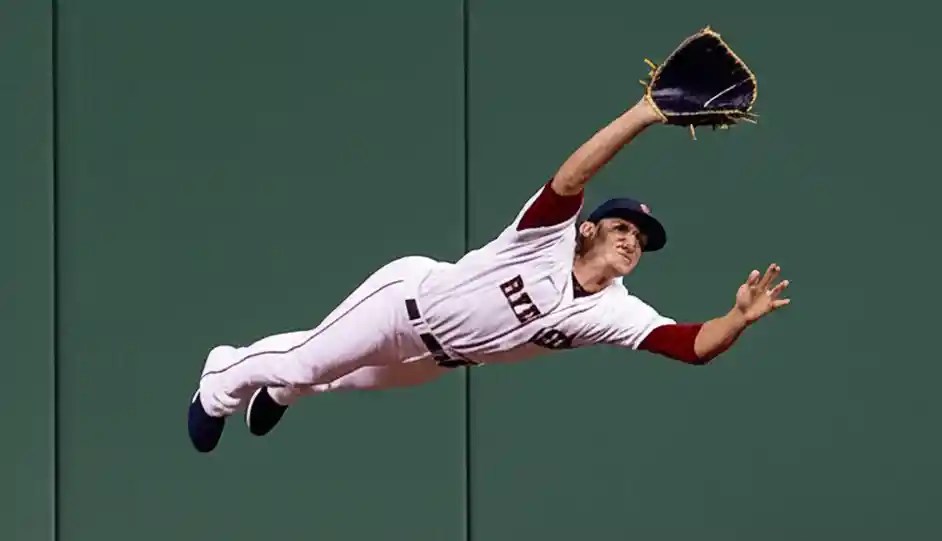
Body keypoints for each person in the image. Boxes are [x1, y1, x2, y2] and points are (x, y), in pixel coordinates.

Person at [187, 97, 791, 453]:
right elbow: (572, 177)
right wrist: (642, 115)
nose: (633, 241)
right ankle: (221, 379)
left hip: (439, 359)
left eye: (642, 239)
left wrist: (737, 318)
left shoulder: (615, 310)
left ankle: (280, 393)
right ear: (589, 230)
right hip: (402, 304)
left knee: (338, 380)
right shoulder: (547, 236)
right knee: (306, 360)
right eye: (622, 228)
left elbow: (689, 346)